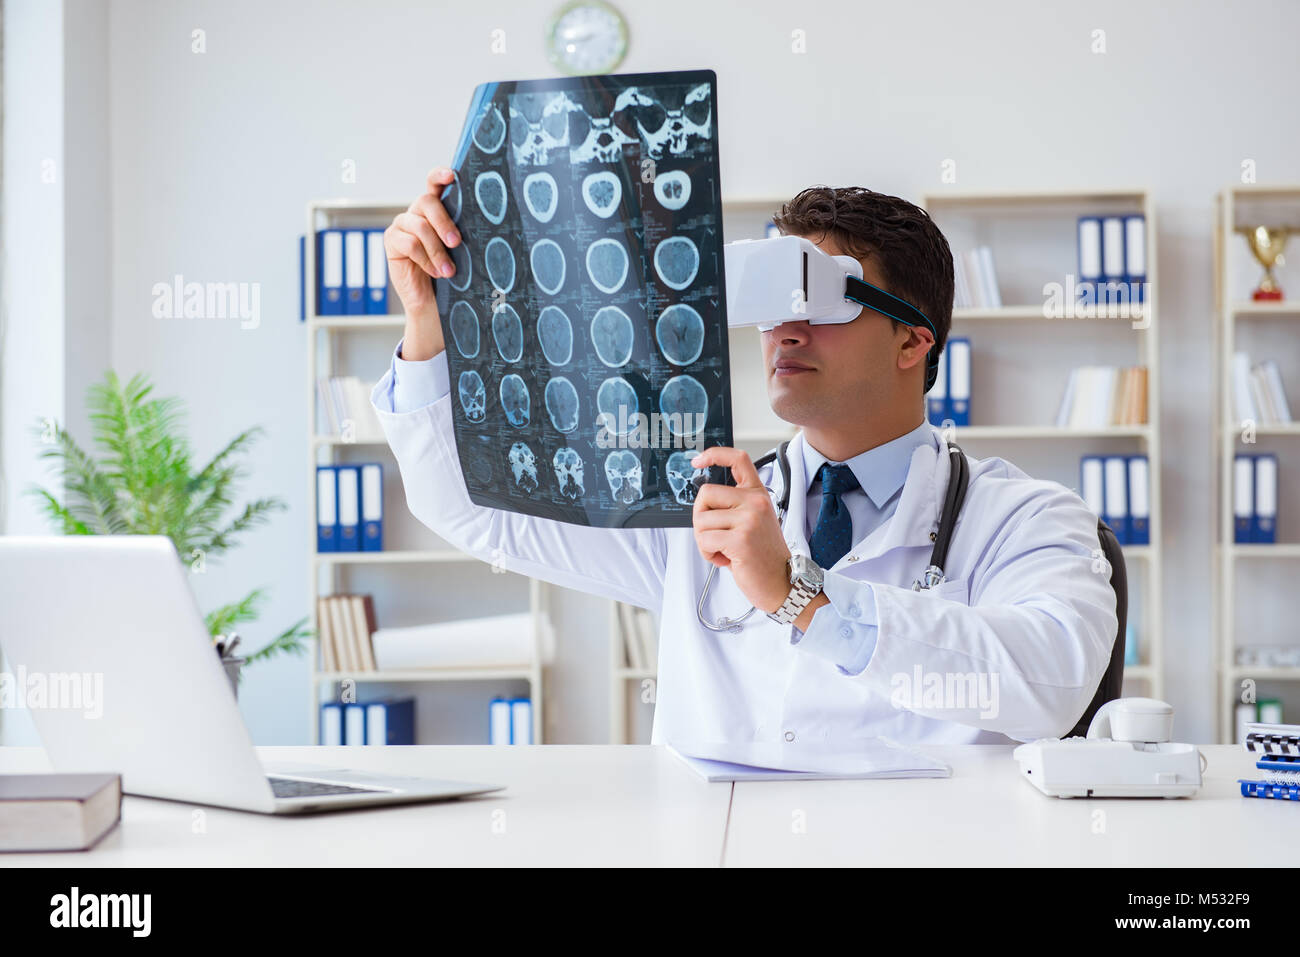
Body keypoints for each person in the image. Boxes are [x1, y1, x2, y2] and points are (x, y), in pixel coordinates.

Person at [369, 169, 1118, 747]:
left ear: (912, 341)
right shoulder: (697, 500)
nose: (784, 330)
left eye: (823, 301)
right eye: (770, 297)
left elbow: (1049, 680)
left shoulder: (1025, 517)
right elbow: (476, 512)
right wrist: (429, 325)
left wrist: (801, 596)